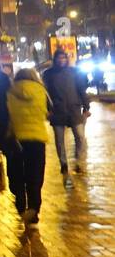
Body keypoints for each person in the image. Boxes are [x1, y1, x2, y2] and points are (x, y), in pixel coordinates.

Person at [5, 67, 50, 227]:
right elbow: (49, 111)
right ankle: (34, 208)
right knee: (35, 174)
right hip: (37, 138)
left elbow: (4, 115)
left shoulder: (10, 92)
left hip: (16, 139)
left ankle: (20, 203)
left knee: (17, 173)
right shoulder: (41, 91)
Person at [42, 48, 88, 181]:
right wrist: (48, 108)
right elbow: (45, 93)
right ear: (55, 59)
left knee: (80, 137)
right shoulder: (49, 74)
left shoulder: (74, 72)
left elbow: (81, 88)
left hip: (74, 110)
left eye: (63, 58)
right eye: (59, 58)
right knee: (59, 141)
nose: (61, 60)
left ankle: (78, 161)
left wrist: (86, 106)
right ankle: (63, 163)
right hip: (57, 111)